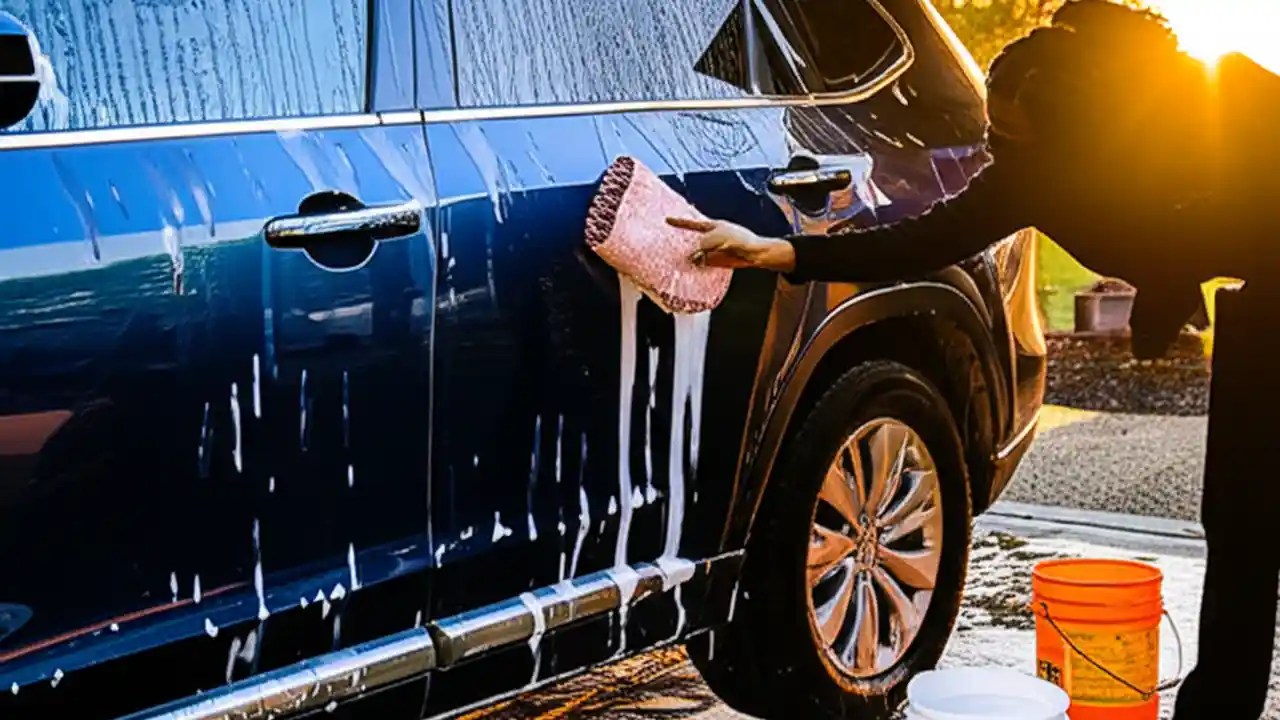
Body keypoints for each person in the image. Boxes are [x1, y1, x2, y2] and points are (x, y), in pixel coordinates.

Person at [668, 1, 1280, 717]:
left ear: (1090, 132)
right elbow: (923, 240)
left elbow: (1203, 225)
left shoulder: (1230, 102)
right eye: (998, 128)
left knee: (1253, 515)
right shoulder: (1035, 172)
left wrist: (1173, 276)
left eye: (1011, 132)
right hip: (1259, 300)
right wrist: (786, 252)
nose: (995, 145)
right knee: (1241, 522)